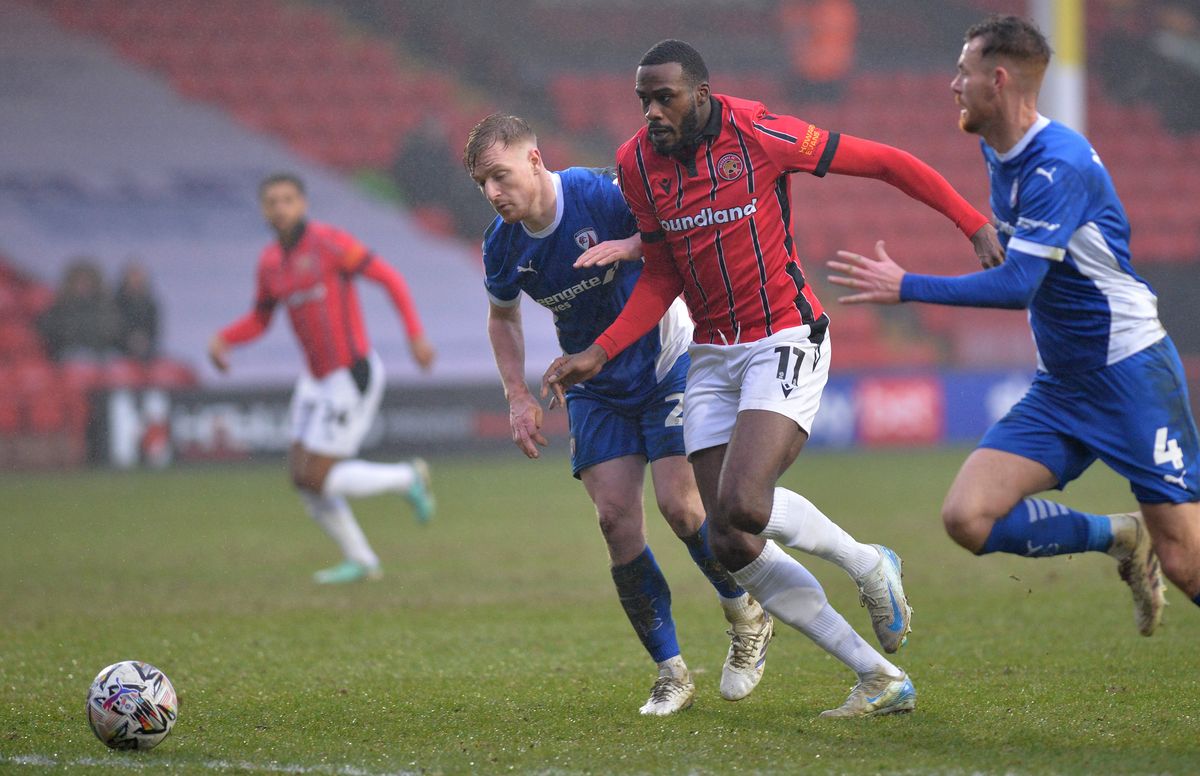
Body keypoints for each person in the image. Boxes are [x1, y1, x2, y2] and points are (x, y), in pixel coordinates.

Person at [545, 39, 1005, 718]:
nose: (652, 112)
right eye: (643, 99)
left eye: (665, 97)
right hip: (712, 353)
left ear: (702, 95)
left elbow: (885, 162)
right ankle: (878, 676)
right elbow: (663, 274)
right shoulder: (637, 163)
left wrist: (972, 222)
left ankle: (867, 562)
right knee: (728, 540)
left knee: (744, 504)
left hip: (784, 335)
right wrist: (602, 351)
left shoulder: (759, 133)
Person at [827, 15, 1199, 633]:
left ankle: (1155, 542)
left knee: (1186, 562)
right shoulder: (998, 152)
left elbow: (1019, 285)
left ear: (998, 81)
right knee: (968, 518)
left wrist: (907, 286)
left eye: (964, 72)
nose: (953, 85)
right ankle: (1122, 536)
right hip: (1062, 387)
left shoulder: (1059, 164)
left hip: (1131, 376)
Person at [464, 113, 774, 716]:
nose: (493, 192)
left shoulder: (599, 193)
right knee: (615, 522)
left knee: (682, 506)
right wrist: (517, 395)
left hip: (665, 362)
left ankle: (745, 613)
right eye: (482, 184)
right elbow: (502, 316)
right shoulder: (502, 245)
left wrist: (631, 245)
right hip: (593, 382)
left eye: (500, 176)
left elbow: (674, 239)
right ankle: (671, 671)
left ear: (535, 159)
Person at [209, 172, 437, 585]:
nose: (280, 208)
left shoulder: (329, 243)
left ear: (303, 204)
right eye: (272, 201)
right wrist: (225, 339)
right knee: (302, 478)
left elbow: (389, 278)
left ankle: (407, 478)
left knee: (318, 476)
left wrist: (415, 335)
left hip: (350, 373)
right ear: (263, 210)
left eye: (288, 199)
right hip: (314, 380)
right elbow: (260, 319)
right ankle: (362, 561)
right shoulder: (270, 262)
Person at [37, 259, 119, 362]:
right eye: (79, 281)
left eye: (87, 281)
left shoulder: (105, 307)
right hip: (69, 353)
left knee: (116, 361)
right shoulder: (60, 307)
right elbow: (50, 333)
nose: (83, 285)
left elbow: (113, 330)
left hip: (101, 352)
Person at [115, 262, 159, 362]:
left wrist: (144, 341)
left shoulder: (150, 305)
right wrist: (128, 340)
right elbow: (112, 327)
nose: (135, 284)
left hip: (146, 351)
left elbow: (154, 330)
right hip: (119, 350)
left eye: (139, 281)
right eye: (133, 280)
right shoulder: (116, 302)